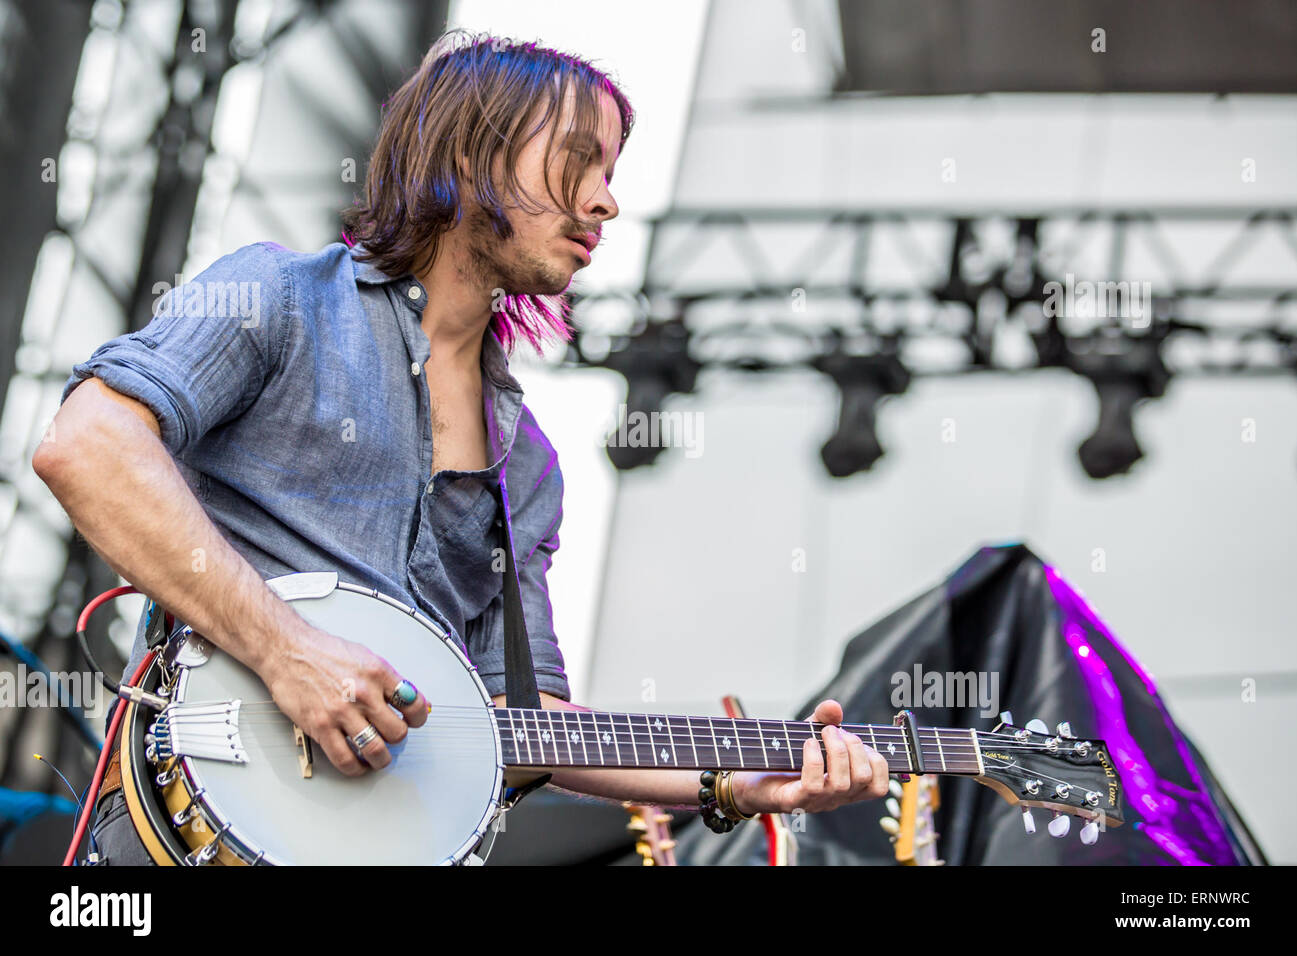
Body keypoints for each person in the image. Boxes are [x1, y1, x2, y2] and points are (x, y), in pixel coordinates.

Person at [33, 31, 889, 865]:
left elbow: (528, 730)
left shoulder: (529, 465)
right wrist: (286, 652)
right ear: (475, 151)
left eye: (612, 174)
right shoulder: (278, 298)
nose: (605, 202)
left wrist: (736, 781)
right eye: (580, 159)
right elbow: (88, 445)